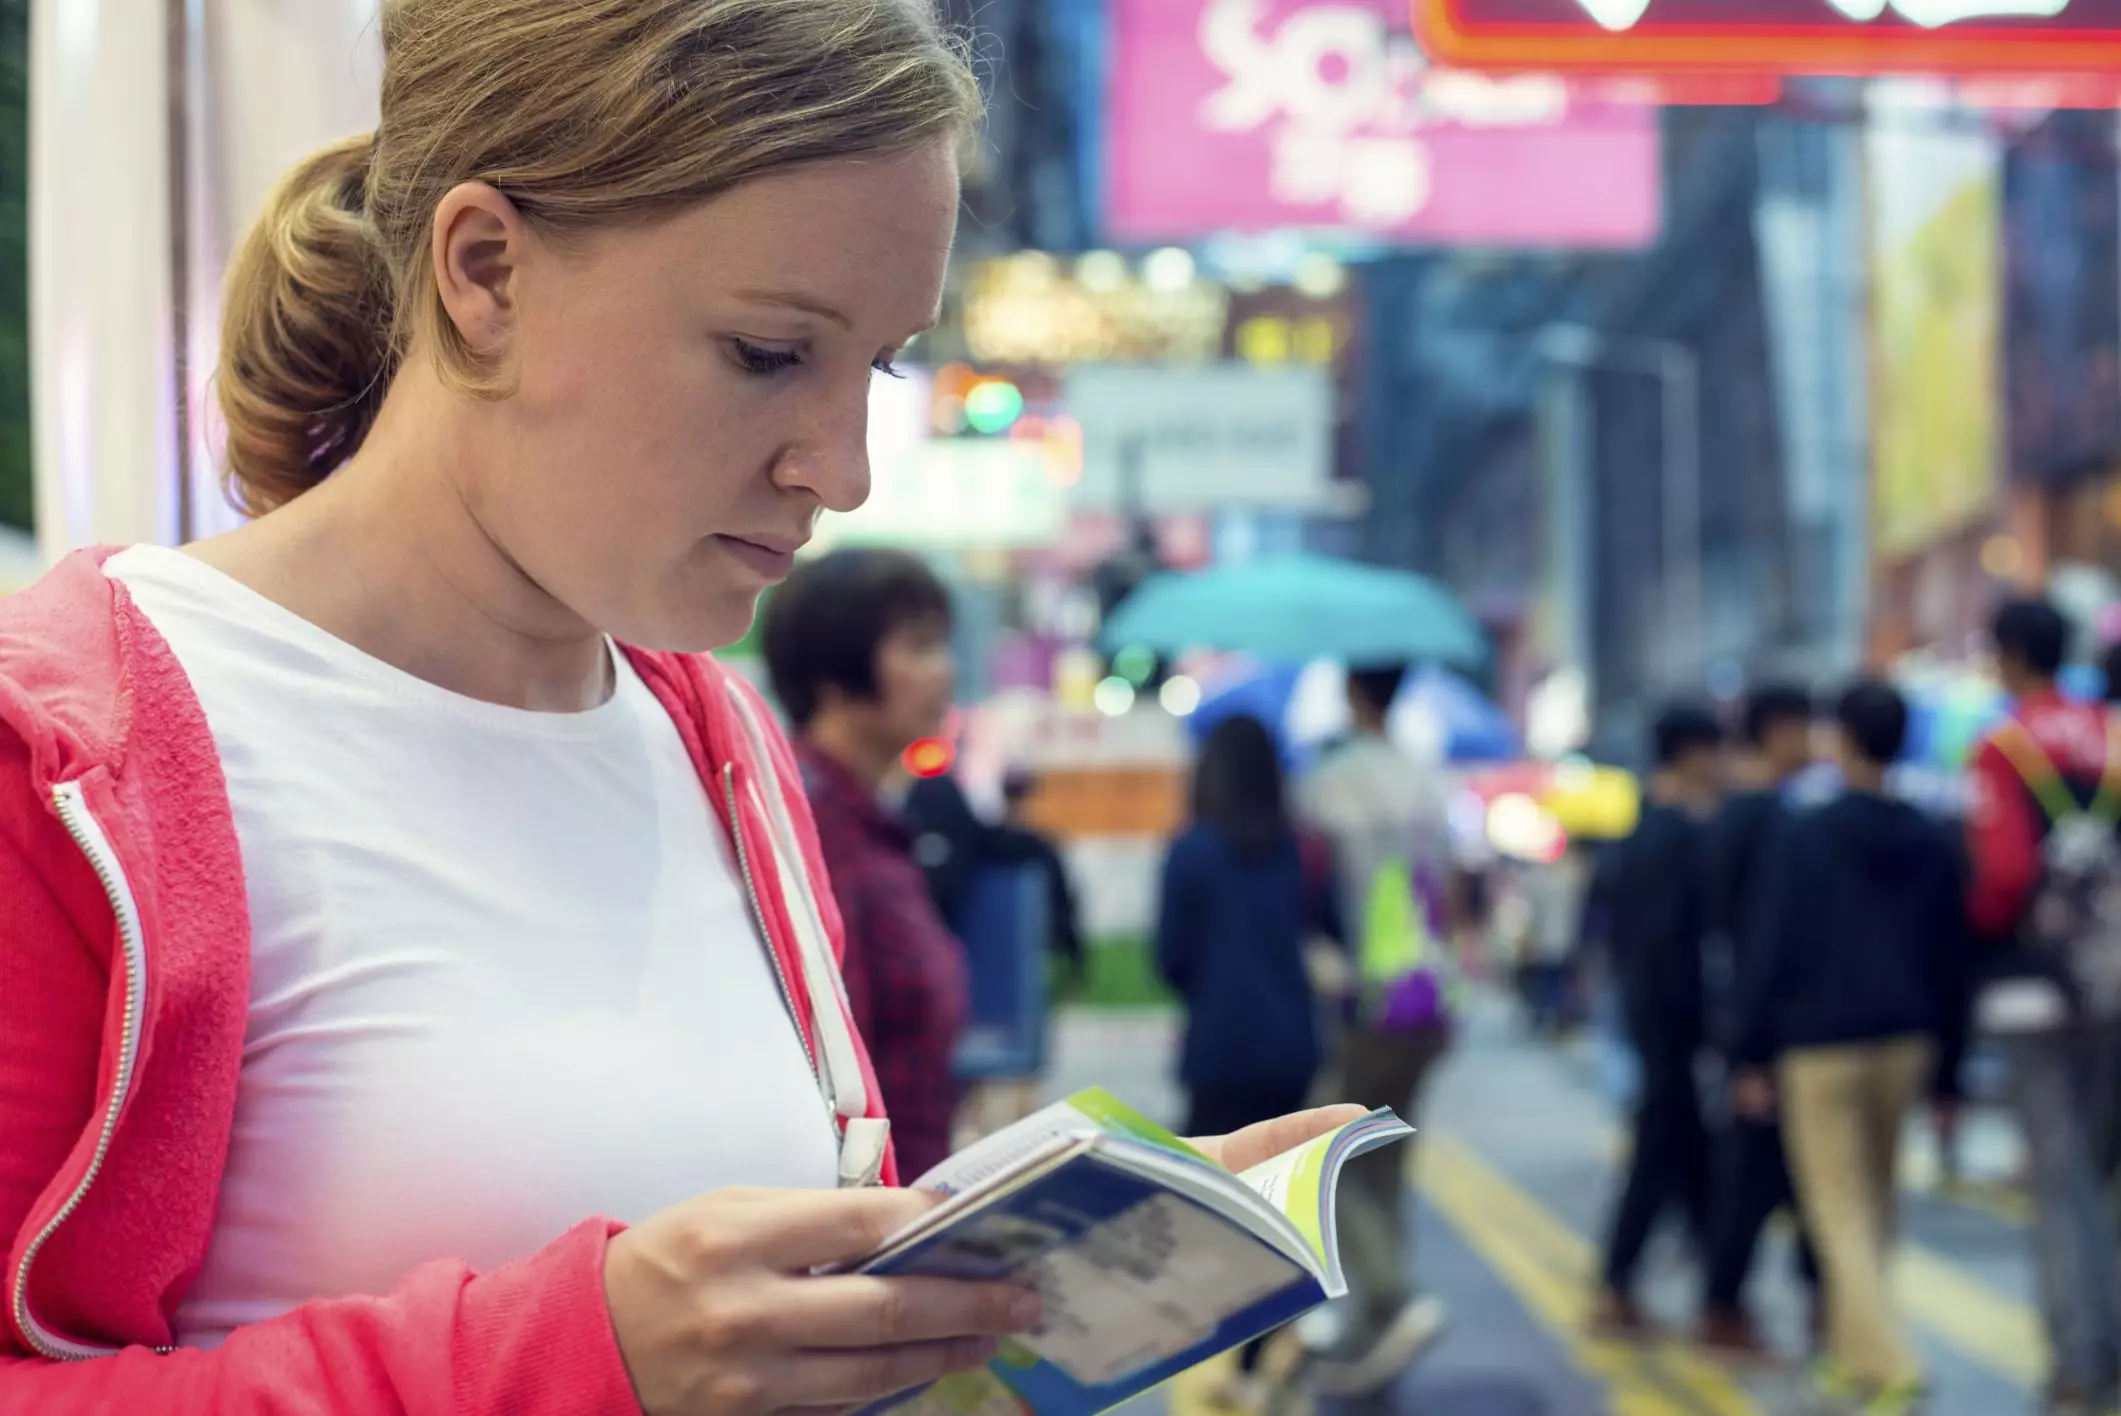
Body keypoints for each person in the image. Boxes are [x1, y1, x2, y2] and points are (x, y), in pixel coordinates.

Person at [0, 5, 1359, 1409]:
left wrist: (1013, 1268)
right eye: (771, 354)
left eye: (879, 365)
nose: (841, 472)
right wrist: (569, 1357)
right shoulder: (69, 764)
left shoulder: (724, 748)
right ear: (485, 271)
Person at [1736, 681, 1968, 1416]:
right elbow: (1950, 956)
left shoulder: (1805, 833)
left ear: (1841, 739)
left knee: (1835, 1208)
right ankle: (1848, 1353)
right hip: (1905, 1037)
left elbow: (1769, 945)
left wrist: (1748, 1049)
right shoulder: (1932, 836)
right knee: (1876, 1200)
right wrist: (1951, 1070)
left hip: (1819, 1042)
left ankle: (1890, 1360)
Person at [764, 548, 971, 1184]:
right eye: (918, 647)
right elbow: (822, 1062)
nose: (945, 672)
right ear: (836, 670)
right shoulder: (812, 820)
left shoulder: (871, 819)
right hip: (858, 1223)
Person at [1156, 714, 1340, 1400]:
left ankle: (1231, 1344)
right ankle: (1269, 1352)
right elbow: (1331, 932)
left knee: (1211, 1201)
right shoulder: (1303, 849)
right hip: (1291, 1045)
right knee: (1280, 1200)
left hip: (1219, 1048)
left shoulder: (1191, 851)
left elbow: (1169, 957)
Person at [1967, 598, 2121, 1416]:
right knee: (2099, 1176)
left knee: (2058, 1180)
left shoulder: (2004, 746)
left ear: (2008, 655)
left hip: (2037, 992)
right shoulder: (2114, 733)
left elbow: (1999, 880)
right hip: (2114, 979)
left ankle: (2079, 1367)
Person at [1294, 664, 1455, 1396]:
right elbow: (1450, 891)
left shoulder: (1327, 782)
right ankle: (1371, 1320)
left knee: (1339, 1154)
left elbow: (1309, 890)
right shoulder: (1426, 780)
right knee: (1387, 1152)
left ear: (1356, 695)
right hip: (1428, 995)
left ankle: (1391, 1298)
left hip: (1361, 997)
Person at [1591, 704, 1725, 1340]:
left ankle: (1716, 1289)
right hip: (1672, 1014)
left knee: (1684, 1148)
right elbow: (1677, 936)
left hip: (1651, 1011)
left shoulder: (1639, 827)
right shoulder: (1678, 831)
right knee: (1662, 1147)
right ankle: (1622, 1284)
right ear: (1692, 753)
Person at [1699, 684, 1821, 1356]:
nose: (1813, 745)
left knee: (1770, 1176)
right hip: (1762, 1029)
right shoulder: (1761, 819)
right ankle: (1723, 1308)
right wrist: (1745, 1047)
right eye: (1804, 728)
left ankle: (1741, 1307)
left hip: (1760, 1024)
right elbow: (1747, 939)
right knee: (1753, 1178)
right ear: (1776, 729)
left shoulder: (1745, 814)